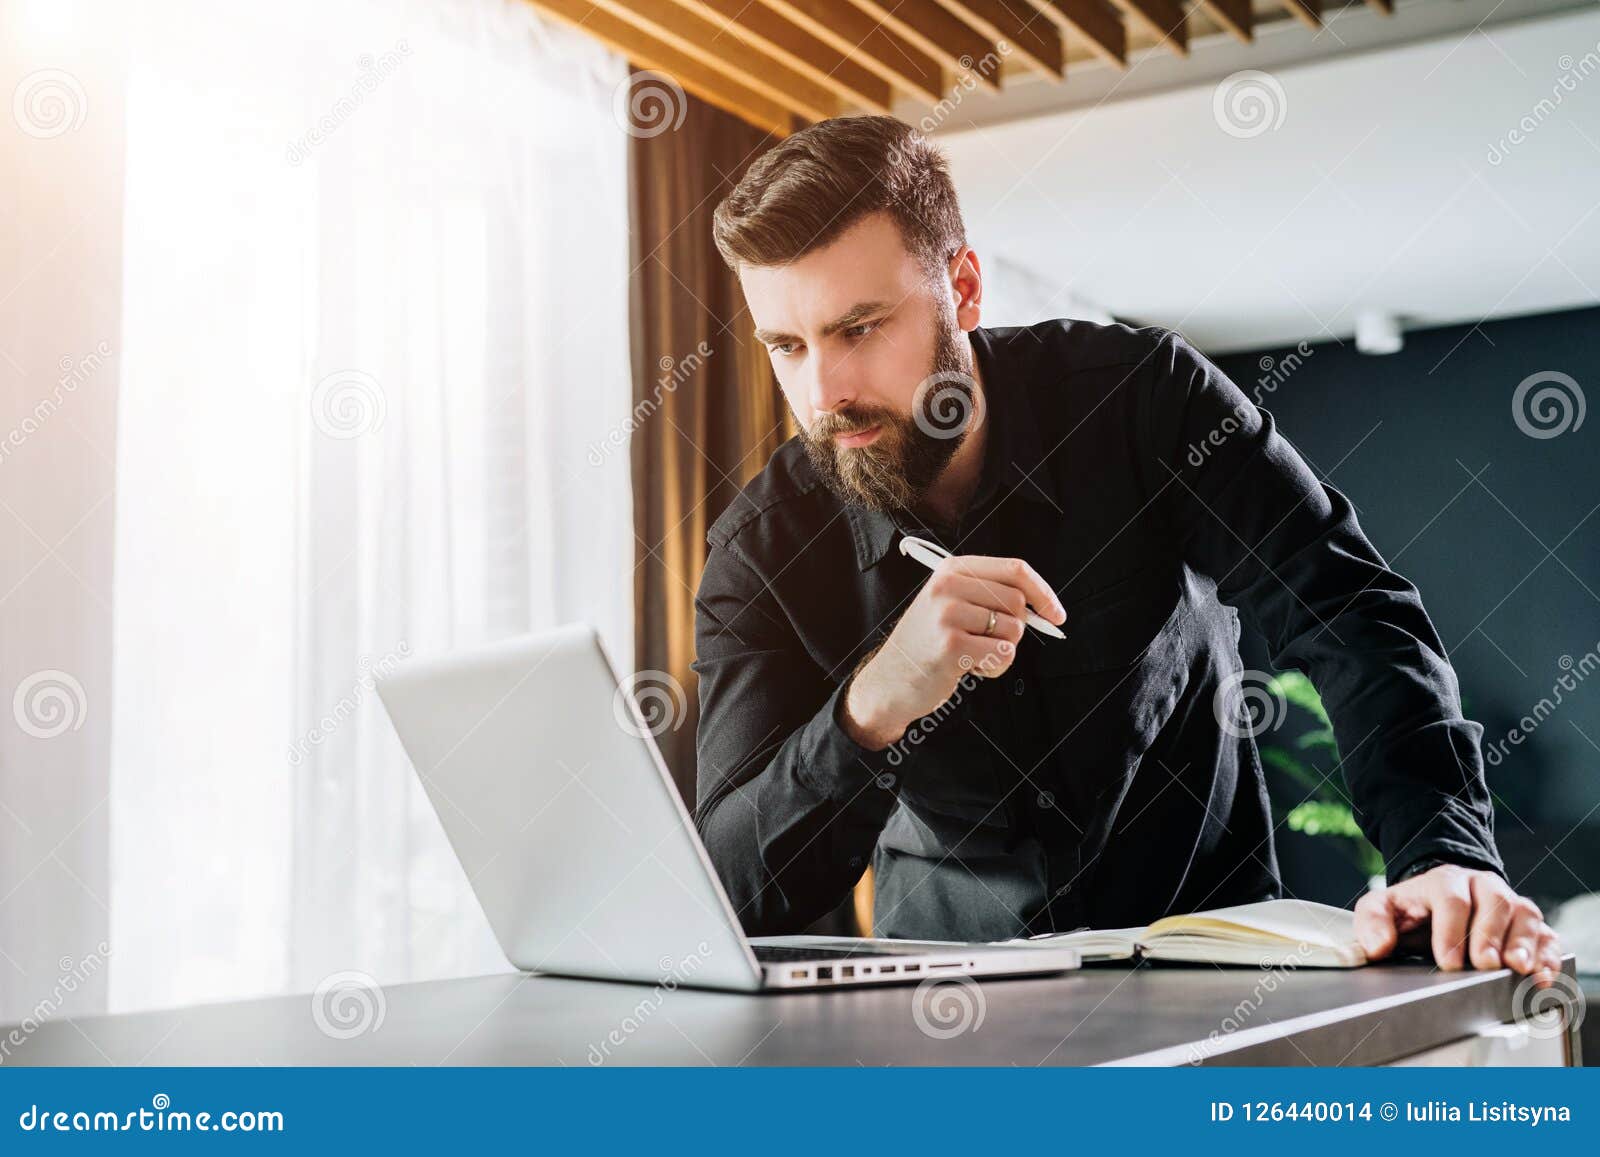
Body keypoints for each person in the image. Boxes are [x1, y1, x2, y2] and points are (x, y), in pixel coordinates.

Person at [690, 114, 1561, 976]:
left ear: (961, 289)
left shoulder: (1146, 399)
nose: (824, 391)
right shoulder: (761, 551)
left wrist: (1440, 850)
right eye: (787, 346)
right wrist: (871, 707)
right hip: (948, 1002)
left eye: (859, 329)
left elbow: (1344, 607)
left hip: (1213, 969)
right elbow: (731, 885)